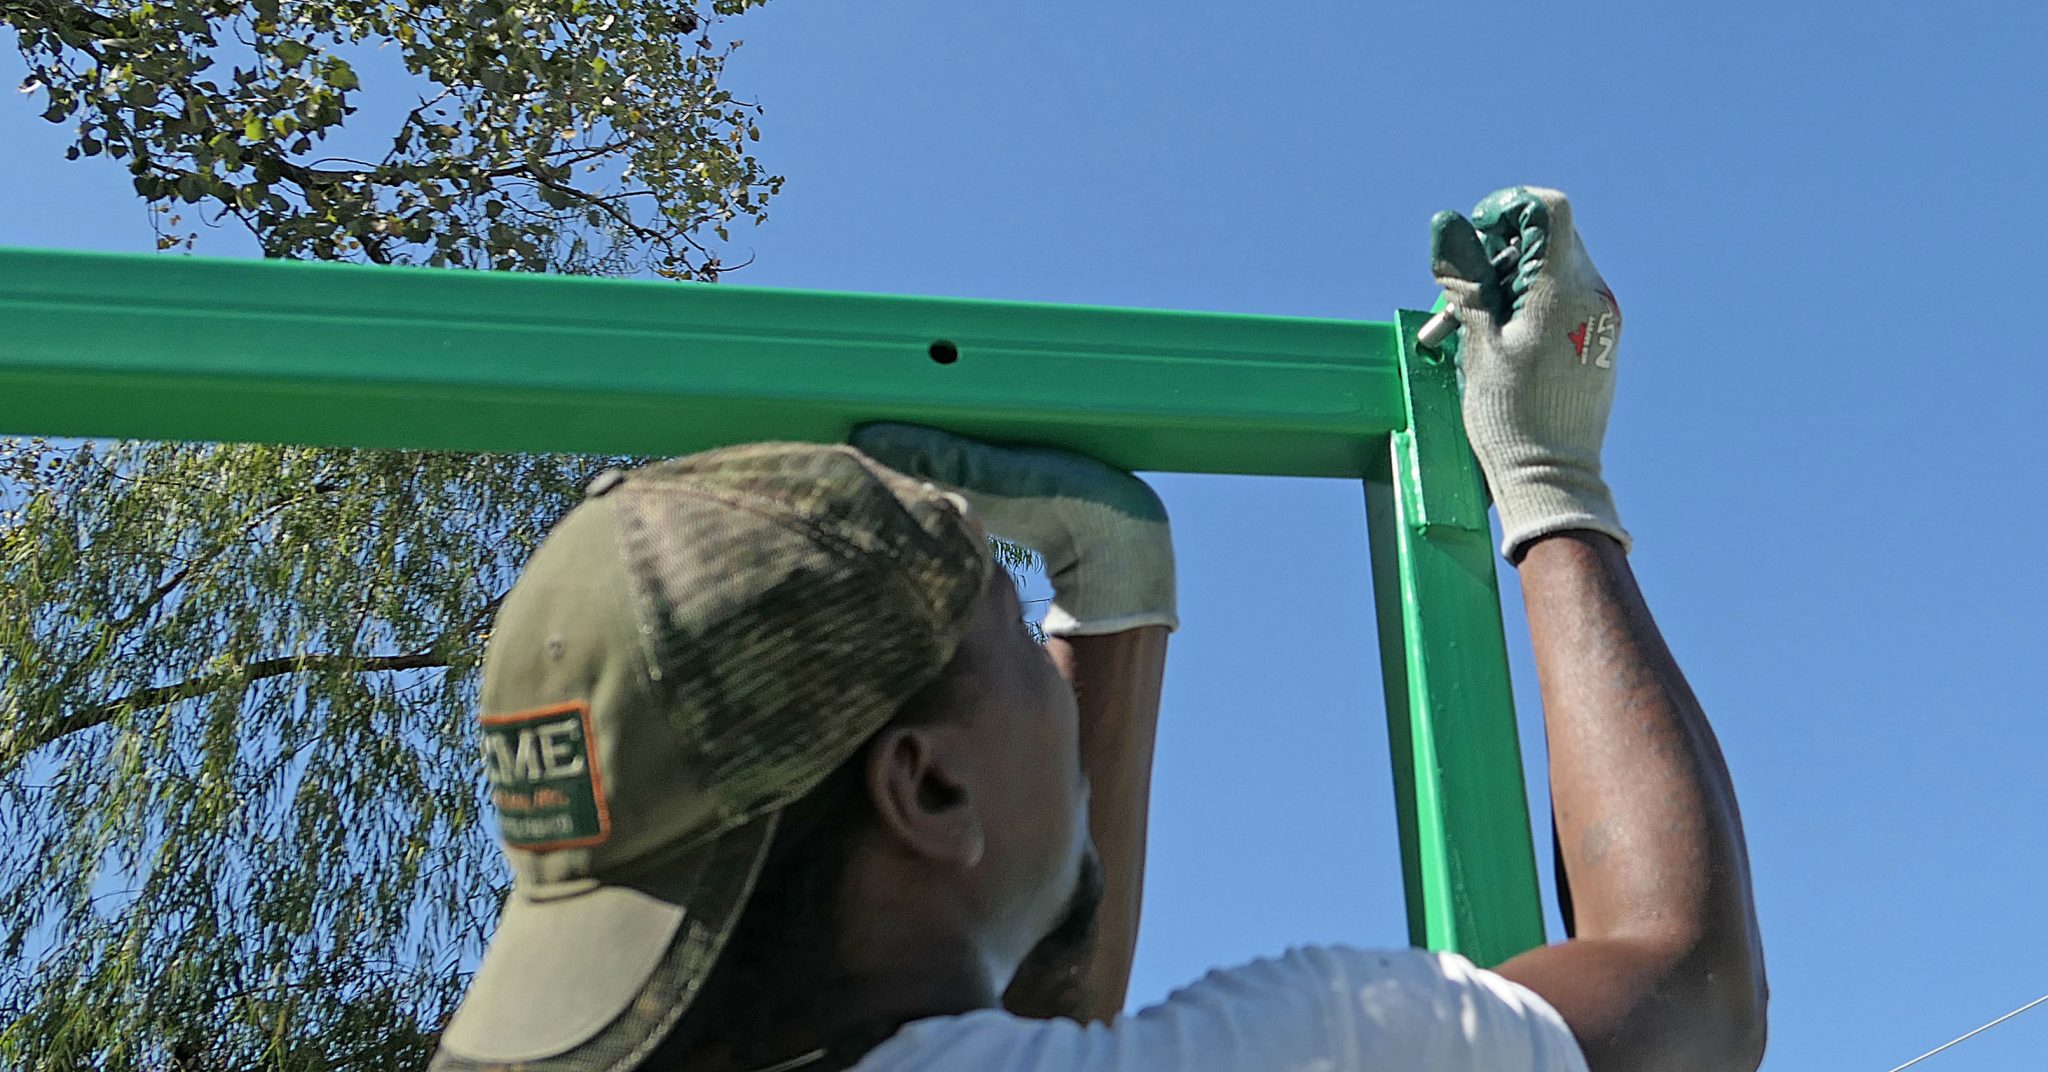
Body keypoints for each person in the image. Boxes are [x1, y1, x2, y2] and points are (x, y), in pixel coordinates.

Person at [429, 186, 1766, 1072]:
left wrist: (1107, 606)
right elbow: (1687, 991)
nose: (1048, 691)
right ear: (931, 783)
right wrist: (1551, 488)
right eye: (1009, 627)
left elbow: (1004, 1036)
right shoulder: (1315, 1043)